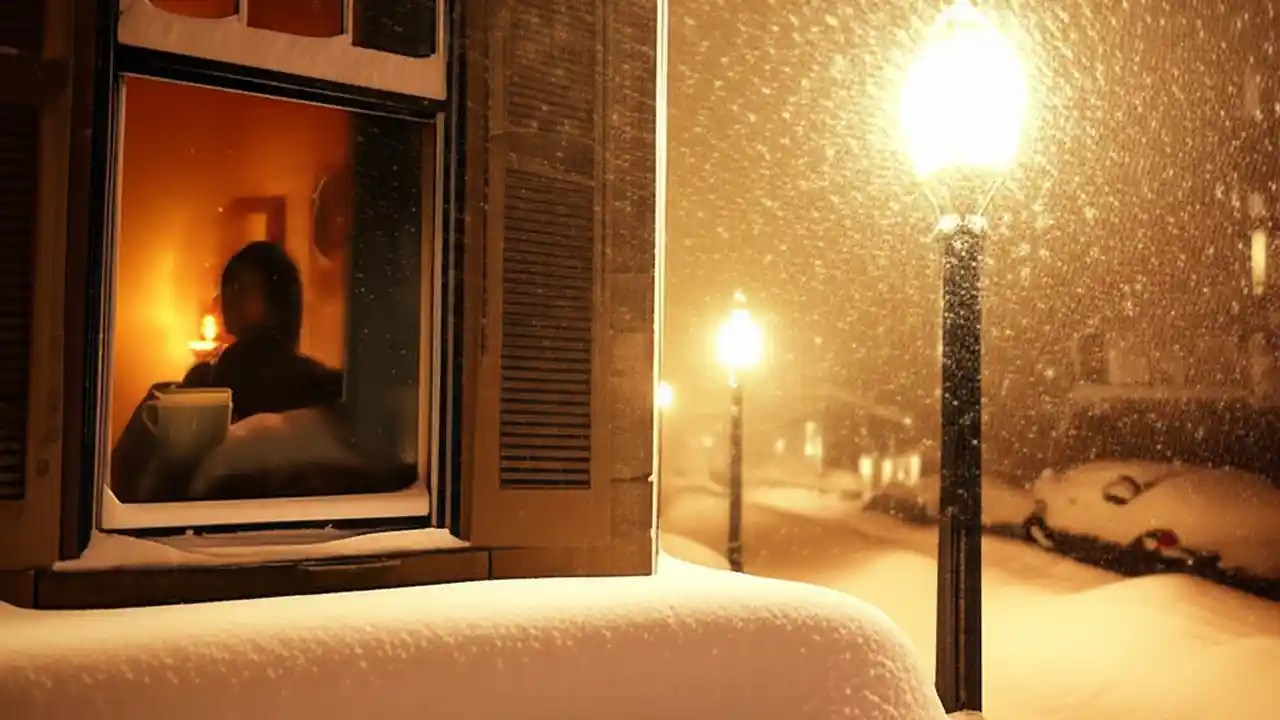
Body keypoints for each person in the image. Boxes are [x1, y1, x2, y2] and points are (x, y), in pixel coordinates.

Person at [182, 241, 343, 421]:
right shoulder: (208, 378)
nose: (226, 297)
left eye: (238, 287)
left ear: (276, 298)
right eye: (227, 286)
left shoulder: (308, 383)